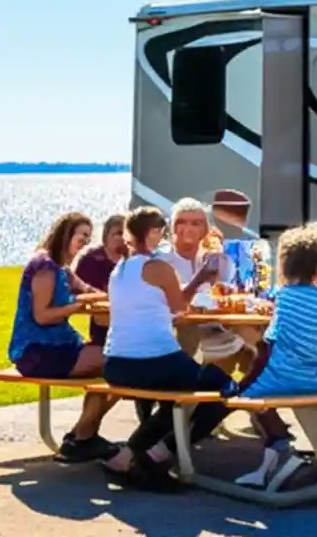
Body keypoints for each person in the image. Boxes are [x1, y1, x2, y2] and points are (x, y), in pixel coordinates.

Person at [100, 206, 235, 492]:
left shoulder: (120, 269)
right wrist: (202, 277)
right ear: (151, 233)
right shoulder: (159, 267)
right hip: (153, 360)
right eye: (161, 232)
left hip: (115, 363)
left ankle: (129, 456)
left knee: (178, 396)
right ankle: (155, 453)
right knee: (226, 388)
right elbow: (181, 306)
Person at [229, 223, 317, 490]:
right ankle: (268, 465)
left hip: (285, 378)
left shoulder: (283, 297)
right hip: (316, 380)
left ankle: (282, 449)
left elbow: (268, 344)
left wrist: (243, 382)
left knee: (245, 396)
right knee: (260, 390)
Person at [6, 211, 119, 462]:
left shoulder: (61, 267)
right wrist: (75, 306)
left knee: (119, 361)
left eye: (89, 237)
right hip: (38, 351)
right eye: (82, 236)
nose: (85, 243)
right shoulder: (45, 266)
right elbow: (42, 316)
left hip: (62, 345)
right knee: (121, 363)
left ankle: (83, 435)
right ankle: (82, 438)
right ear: (66, 234)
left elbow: (88, 290)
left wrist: (114, 296)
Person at [156, 198, 245, 367]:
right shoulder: (159, 260)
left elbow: (228, 296)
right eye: (181, 222)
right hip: (175, 332)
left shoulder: (218, 259)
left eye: (195, 223)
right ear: (171, 227)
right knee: (189, 332)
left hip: (218, 331)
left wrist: (219, 283)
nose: (188, 229)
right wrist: (201, 278)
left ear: (205, 229)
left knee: (256, 343)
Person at [73, 213, 128, 345]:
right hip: (103, 331)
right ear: (105, 237)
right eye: (118, 233)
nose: (122, 238)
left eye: (126, 233)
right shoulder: (91, 260)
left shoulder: (137, 260)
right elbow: (75, 290)